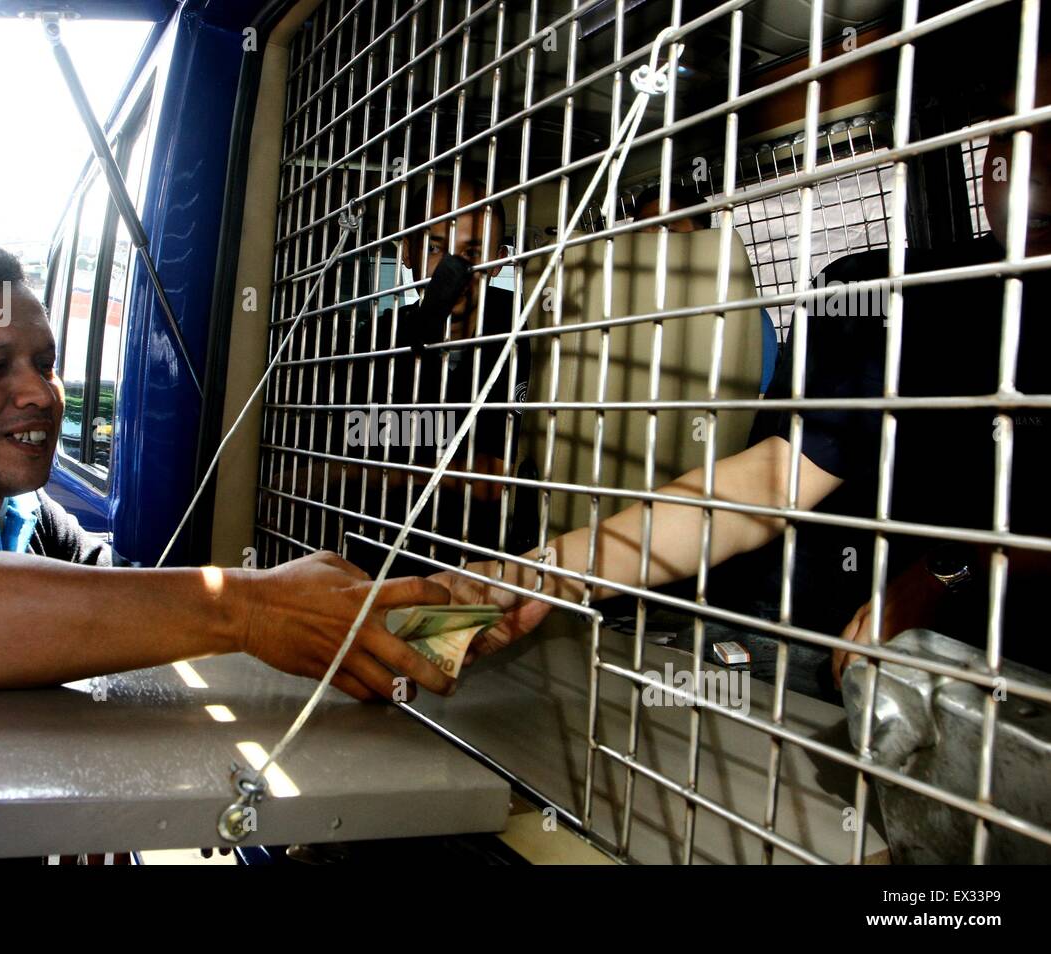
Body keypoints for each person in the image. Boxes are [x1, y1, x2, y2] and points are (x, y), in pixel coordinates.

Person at [0, 239, 453, 859]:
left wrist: (424, 615)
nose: (43, 393)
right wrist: (247, 606)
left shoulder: (31, 518)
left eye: (45, 362)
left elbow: (140, 621)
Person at [436, 54, 1051, 699]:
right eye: (1014, 135)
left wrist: (945, 574)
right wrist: (549, 573)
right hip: (867, 658)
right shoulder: (896, 299)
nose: (1032, 173)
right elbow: (767, 481)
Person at [324, 174, 532, 574]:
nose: (452, 269)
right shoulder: (374, 340)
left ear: (501, 258)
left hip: (475, 568)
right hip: (375, 561)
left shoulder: (522, 334)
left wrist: (400, 454)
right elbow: (340, 462)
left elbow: (500, 475)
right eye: (436, 247)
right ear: (408, 251)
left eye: (472, 252)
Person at [631, 182, 779, 394]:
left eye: (669, 231)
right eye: (640, 234)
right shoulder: (621, 305)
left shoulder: (743, 314)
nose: (651, 245)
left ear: (703, 238)